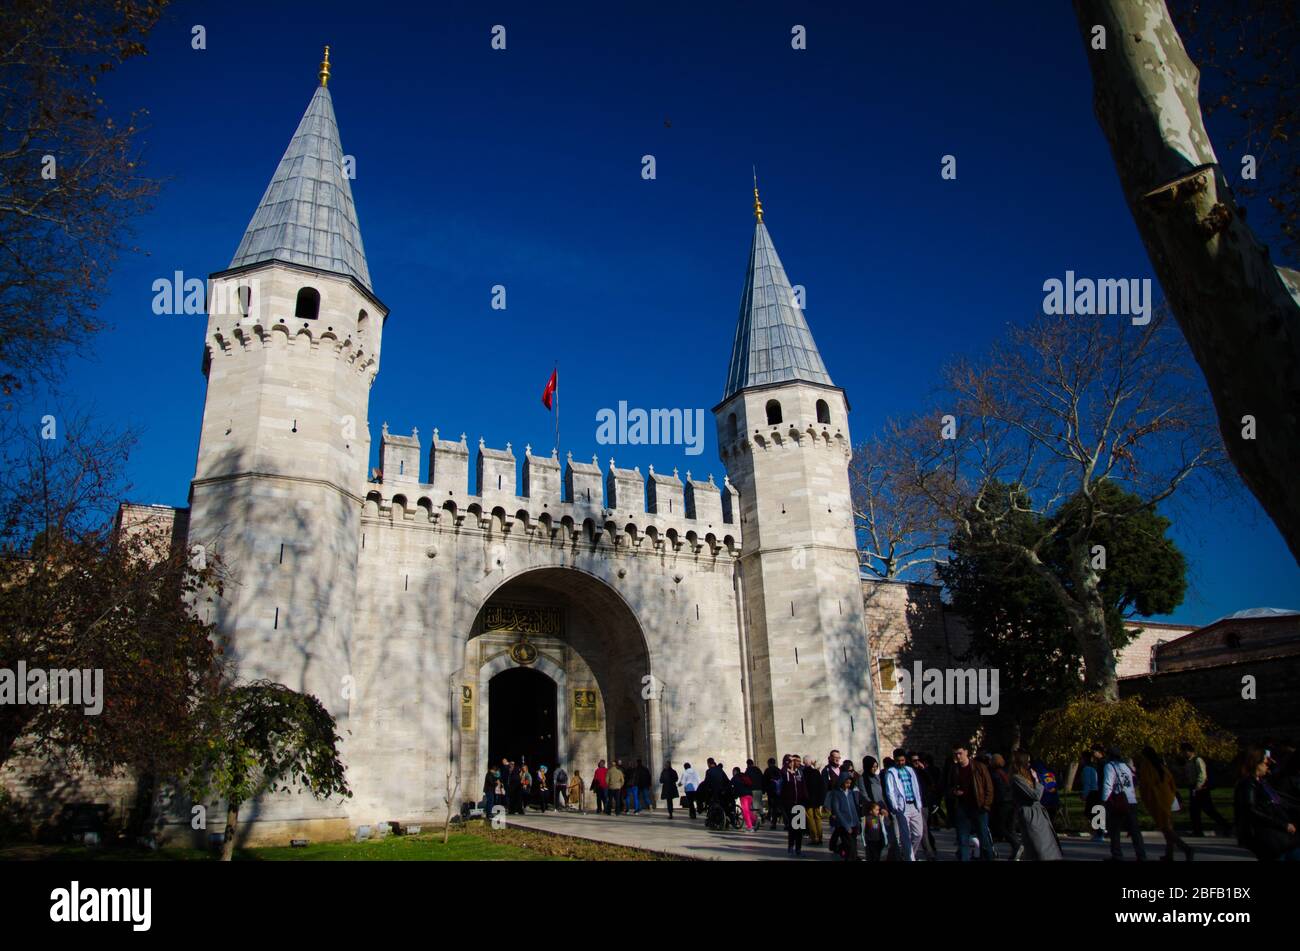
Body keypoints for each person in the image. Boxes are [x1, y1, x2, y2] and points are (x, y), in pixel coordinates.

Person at [1234, 746, 1300, 861]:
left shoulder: (1262, 783)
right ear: (1255, 764)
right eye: (1264, 762)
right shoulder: (1249, 784)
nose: (1267, 764)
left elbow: (1280, 803)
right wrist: (1283, 824)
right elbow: (1251, 809)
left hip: (1280, 836)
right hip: (1269, 836)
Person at [1136, 746, 1193, 861]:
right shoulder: (1162, 767)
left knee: (1166, 828)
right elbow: (1172, 783)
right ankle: (1169, 854)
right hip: (1168, 798)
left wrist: (1145, 799)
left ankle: (1186, 848)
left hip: (1158, 800)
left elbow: (1145, 786)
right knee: (1168, 827)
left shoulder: (1147, 767)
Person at [1010, 752, 1063, 860]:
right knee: (1040, 847)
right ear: (1022, 763)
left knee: (1046, 847)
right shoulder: (1017, 778)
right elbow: (1035, 795)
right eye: (1027, 762)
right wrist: (1037, 781)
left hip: (1039, 813)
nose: (1029, 765)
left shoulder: (1026, 776)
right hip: (1032, 816)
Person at [949, 744, 995, 861]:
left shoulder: (979, 767)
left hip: (979, 807)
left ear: (966, 752)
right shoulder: (954, 769)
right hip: (962, 807)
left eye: (960, 753)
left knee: (984, 839)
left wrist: (986, 805)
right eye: (955, 754)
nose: (958, 756)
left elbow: (989, 787)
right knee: (962, 840)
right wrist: (954, 792)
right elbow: (948, 786)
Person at [1101, 747, 1147, 861]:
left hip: (1119, 801)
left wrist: (1104, 800)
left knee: (1115, 830)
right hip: (1131, 800)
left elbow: (1108, 784)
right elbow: (1134, 781)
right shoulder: (1126, 766)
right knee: (1135, 830)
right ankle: (1141, 854)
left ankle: (1117, 854)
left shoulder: (1109, 766)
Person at [883, 747, 926, 861]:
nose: (900, 763)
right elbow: (890, 791)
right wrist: (895, 806)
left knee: (918, 834)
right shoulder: (891, 772)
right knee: (906, 836)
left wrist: (919, 803)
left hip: (914, 805)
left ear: (905, 759)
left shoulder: (910, 770)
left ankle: (908, 855)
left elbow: (916, 787)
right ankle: (910, 858)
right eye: (898, 761)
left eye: (902, 760)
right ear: (894, 760)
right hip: (902, 807)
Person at [1181, 741, 1230, 837]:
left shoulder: (1198, 760)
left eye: (1184, 751)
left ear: (1189, 751)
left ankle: (1226, 826)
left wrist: (1198, 786)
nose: (1183, 754)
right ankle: (1197, 830)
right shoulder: (1188, 762)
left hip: (1201, 789)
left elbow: (1202, 774)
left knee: (1209, 810)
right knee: (1194, 811)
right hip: (1193, 787)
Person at [989, 753, 1022, 859]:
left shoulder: (994, 774)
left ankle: (1016, 845)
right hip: (1011, 801)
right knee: (1009, 827)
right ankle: (1016, 847)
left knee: (1001, 828)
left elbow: (997, 791)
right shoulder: (1004, 773)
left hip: (1002, 803)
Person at [826, 771, 861, 860]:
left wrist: (857, 822)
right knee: (850, 846)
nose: (848, 785)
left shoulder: (850, 792)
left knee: (853, 845)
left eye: (849, 783)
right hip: (844, 825)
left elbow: (854, 808)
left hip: (853, 823)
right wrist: (846, 825)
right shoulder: (836, 793)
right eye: (846, 783)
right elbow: (837, 811)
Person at [781, 754, 810, 856]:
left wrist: (806, 800)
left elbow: (803, 786)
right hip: (790, 803)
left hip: (800, 803)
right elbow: (783, 774)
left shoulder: (799, 772)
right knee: (793, 827)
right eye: (792, 760)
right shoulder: (785, 772)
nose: (795, 762)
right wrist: (787, 767)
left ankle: (798, 848)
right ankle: (790, 846)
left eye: (796, 761)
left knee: (799, 827)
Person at [1080, 746, 1105, 843]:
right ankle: (1099, 831)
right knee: (1097, 812)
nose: (1080, 761)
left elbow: (1088, 783)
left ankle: (1099, 832)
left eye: (1081, 759)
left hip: (1092, 793)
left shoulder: (1086, 769)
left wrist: (1085, 795)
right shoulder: (1095, 766)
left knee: (1092, 813)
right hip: (1097, 792)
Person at [804, 756, 826, 846]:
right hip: (817, 800)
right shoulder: (816, 772)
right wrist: (821, 799)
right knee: (818, 818)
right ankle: (820, 837)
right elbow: (822, 786)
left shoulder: (804, 773)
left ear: (805, 763)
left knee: (810, 819)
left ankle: (814, 838)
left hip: (808, 800)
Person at [731, 766, 755, 831]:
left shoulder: (735, 778)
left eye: (733, 771)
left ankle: (750, 827)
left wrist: (734, 795)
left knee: (745, 811)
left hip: (743, 796)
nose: (732, 773)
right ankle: (754, 821)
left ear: (735, 771)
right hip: (750, 794)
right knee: (748, 810)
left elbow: (731, 787)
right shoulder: (744, 775)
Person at [763, 757, 783, 829]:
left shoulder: (767, 770)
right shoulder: (778, 770)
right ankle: (786, 823)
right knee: (780, 807)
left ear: (769, 763)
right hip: (779, 792)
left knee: (772, 807)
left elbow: (764, 781)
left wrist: (764, 790)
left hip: (771, 792)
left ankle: (773, 823)